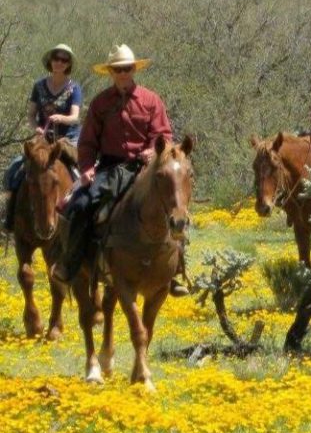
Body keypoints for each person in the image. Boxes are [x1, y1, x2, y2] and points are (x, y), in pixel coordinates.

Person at [52, 44, 188, 296]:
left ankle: (176, 270)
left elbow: (163, 134)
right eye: (118, 70)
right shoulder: (100, 103)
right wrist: (86, 169)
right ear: (111, 73)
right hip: (110, 167)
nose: (123, 73)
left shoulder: (151, 100)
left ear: (133, 69)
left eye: (127, 69)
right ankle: (71, 263)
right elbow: (88, 142)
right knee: (80, 205)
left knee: (175, 204)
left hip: (145, 168)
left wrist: (152, 151)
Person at [3, 44, 82, 232]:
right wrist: (36, 128)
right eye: (56, 58)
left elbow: (75, 116)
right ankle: (10, 218)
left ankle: (80, 221)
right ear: (50, 61)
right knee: (15, 169)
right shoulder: (38, 86)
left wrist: (61, 117)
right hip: (43, 140)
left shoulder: (74, 88)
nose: (59, 63)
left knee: (79, 174)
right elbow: (31, 114)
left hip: (67, 139)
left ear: (68, 64)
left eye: (64, 60)